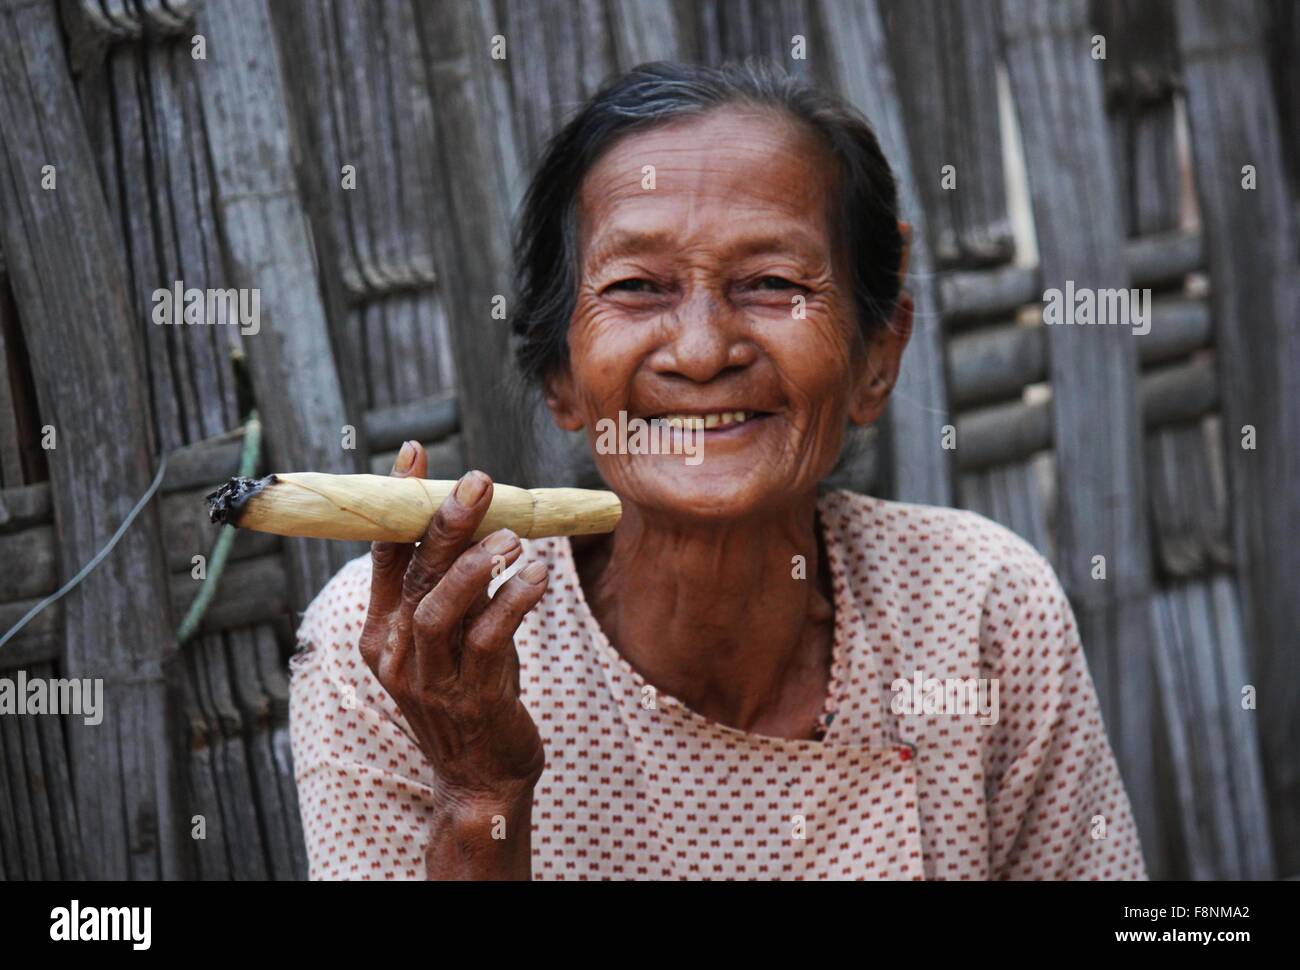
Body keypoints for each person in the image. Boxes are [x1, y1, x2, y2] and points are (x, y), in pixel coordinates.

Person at [289, 61, 1146, 880]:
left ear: (875, 356)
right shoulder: (407, 653)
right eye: (634, 287)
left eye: (772, 282)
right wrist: (479, 797)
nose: (700, 352)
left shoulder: (978, 614)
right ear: (561, 375)